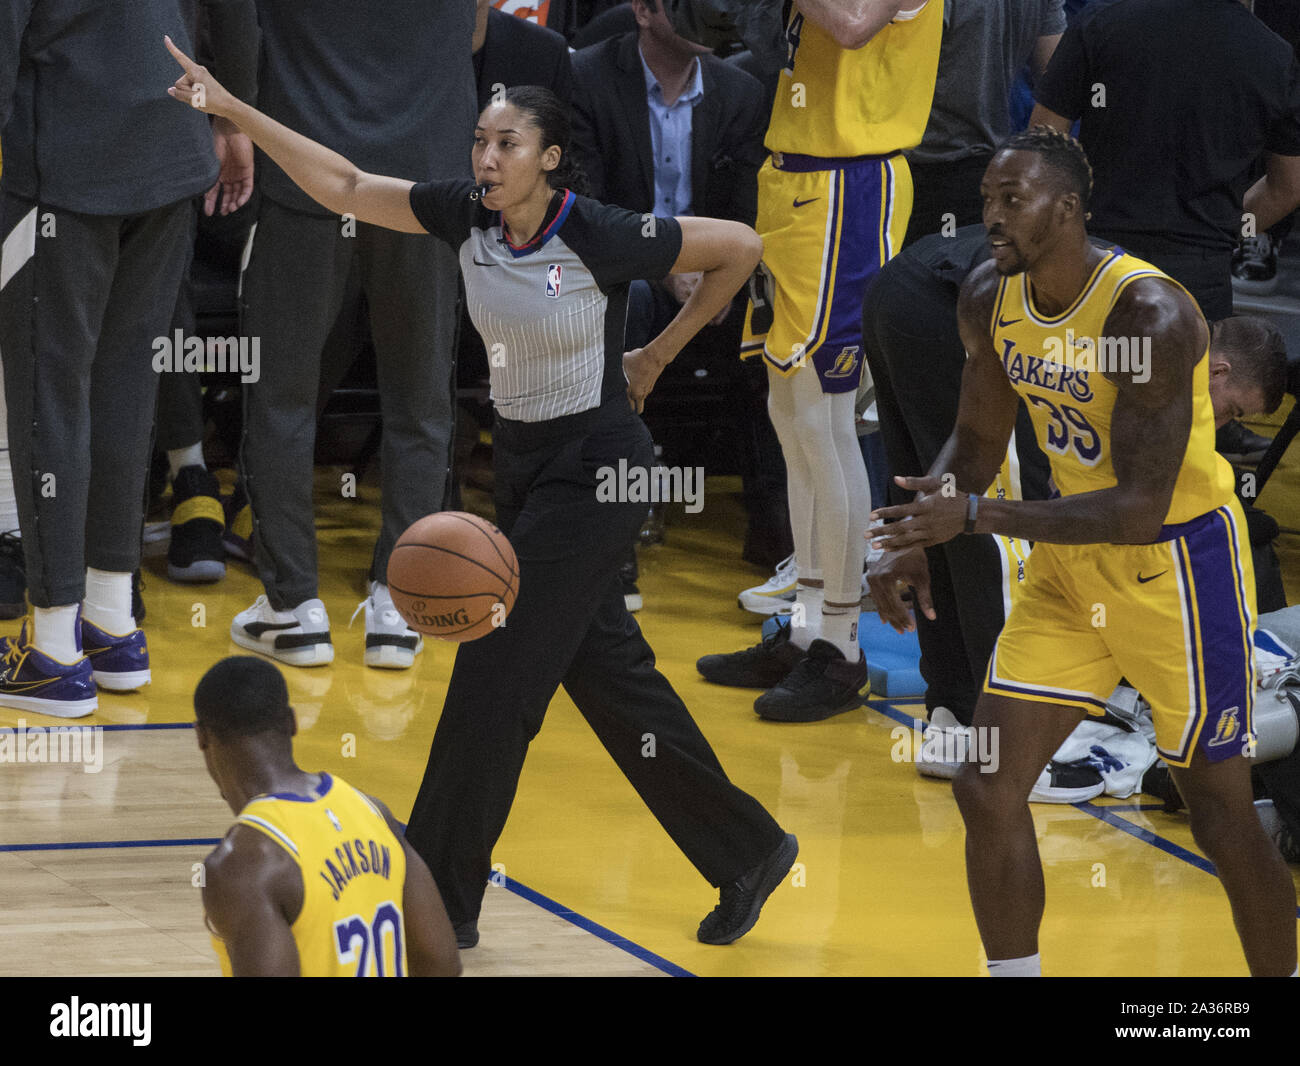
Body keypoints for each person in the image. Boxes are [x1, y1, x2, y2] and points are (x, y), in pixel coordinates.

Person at [166, 46, 798, 950]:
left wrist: (656, 355)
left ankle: (439, 896)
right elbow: (345, 184)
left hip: (598, 468)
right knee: (616, 683)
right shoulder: (464, 218)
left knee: (490, 681)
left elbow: (741, 248)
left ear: (549, 157)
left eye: (508, 143)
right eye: (479, 141)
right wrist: (235, 107)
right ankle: (749, 850)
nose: (487, 159)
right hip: (524, 471)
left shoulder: (600, 230)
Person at [870, 126, 1298, 977]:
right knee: (986, 781)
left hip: (1178, 571)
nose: (991, 216)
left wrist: (979, 518)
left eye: (1012, 201)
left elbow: (1139, 509)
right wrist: (918, 527)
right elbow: (976, 435)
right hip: (1070, 567)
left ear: (1068, 210)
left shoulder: (1152, 315)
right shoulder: (990, 293)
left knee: (1216, 810)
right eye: (988, 199)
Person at [0, 1, 255, 717]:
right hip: (169, 147)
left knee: (51, 394)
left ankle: (51, 648)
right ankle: (111, 625)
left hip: (65, 158)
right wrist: (233, 117)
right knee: (122, 387)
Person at [697, 0, 943, 723]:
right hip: (796, 180)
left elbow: (854, 23)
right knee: (790, 415)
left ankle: (842, 648)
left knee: (827, 420)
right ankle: (806, 627)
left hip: (850, 188)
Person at [228, 0, 475, 672]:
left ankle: (293, 609)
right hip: (424, 181)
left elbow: (236, 29)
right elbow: (475, 31)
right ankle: (398, 607)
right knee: (421, 402)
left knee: (281, 400)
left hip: (307, 173)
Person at [194, 656, 461, 977]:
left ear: (202, 737)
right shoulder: (372, 810)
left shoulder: (243, 863)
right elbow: (441, 963)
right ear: (292, 722)